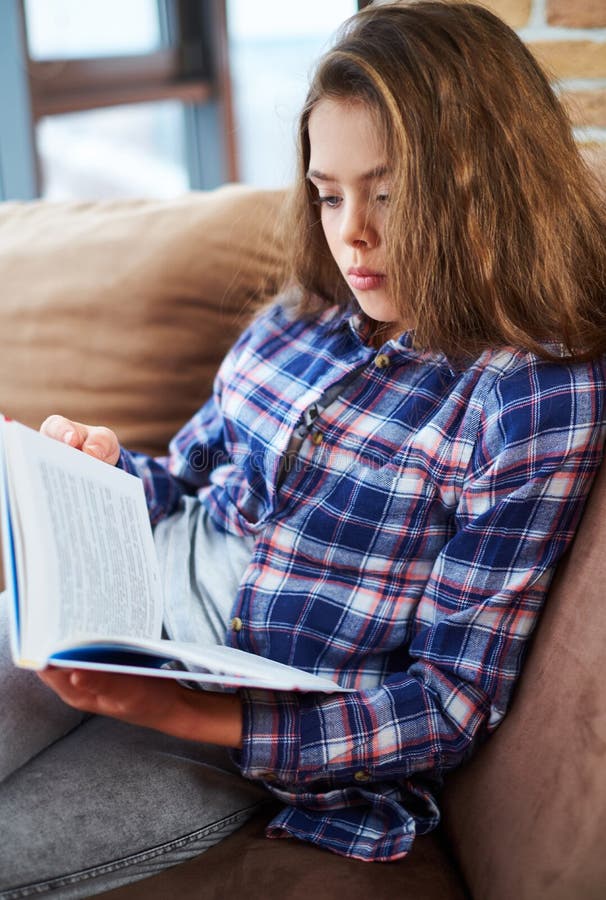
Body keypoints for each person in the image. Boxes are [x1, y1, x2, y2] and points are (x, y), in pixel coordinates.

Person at [2, 1, 606, 895]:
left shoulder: (533, 395)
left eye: (390, 194)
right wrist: (101, 474)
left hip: (232, 725)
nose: (351, 234)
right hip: (115, 612)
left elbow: (450, 699)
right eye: (329, 193)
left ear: (486, 182)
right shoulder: (306, 315)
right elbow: (185, 478)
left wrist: (185, 711)